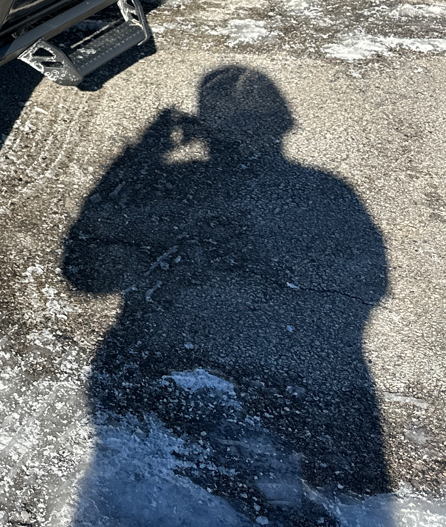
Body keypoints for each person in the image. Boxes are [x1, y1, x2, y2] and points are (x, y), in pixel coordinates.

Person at [65, 66, 390, 525]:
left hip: (189, 361)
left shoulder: (185, 184)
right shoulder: (327, 191)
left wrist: (143, 153)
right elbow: (370, 283)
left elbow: (84, 267)